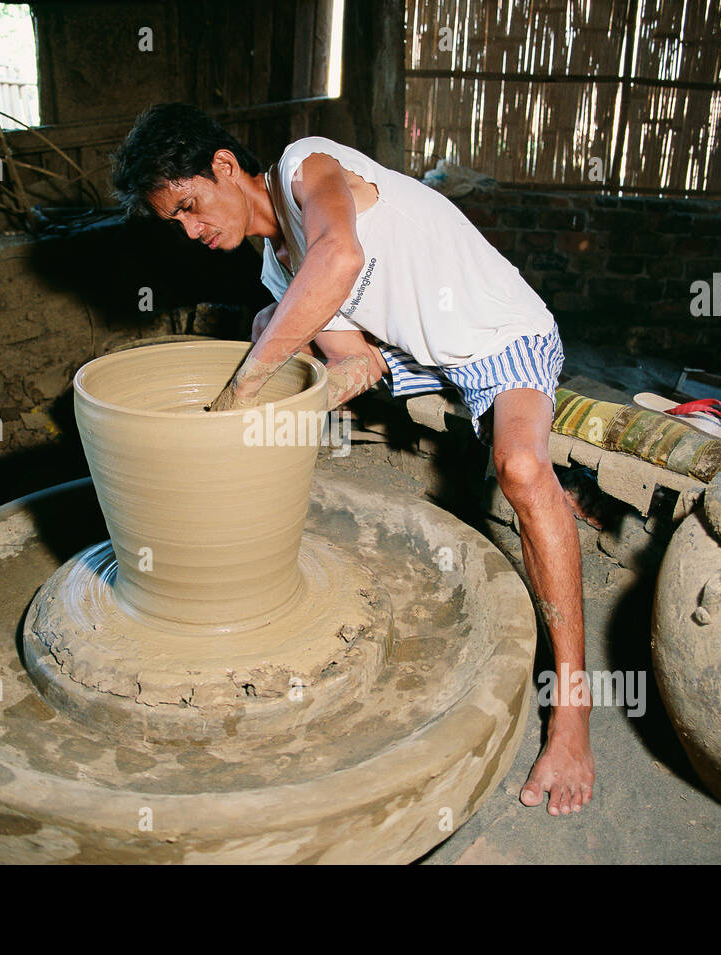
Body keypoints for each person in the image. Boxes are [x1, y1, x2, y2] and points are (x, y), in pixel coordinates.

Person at [111, 103, 593, 816]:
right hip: (416, 356)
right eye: (173, 222)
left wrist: (245, 387)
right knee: (269, 324)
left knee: (520, 468)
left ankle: (576, 716)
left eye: (189, 206)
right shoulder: (277, 269)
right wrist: (291, 377)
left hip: (499, 333)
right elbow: (355, 357)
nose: (190, 230)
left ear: (222, 167)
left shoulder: (306, 167)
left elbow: (340, 257)